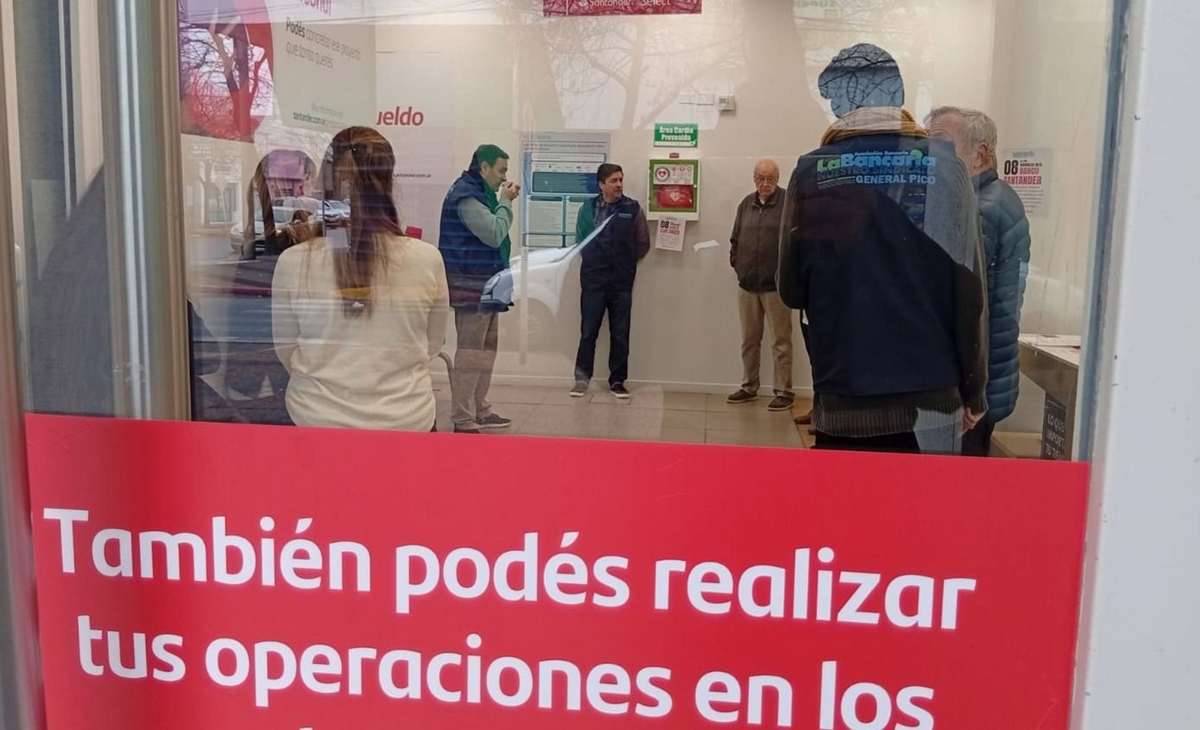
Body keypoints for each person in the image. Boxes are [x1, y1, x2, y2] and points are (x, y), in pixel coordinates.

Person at [778, 44, 988, 455]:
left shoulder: (811, 170)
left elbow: (790, 289)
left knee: (844, 497)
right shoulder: (947, 168)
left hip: (844, 393)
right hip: (932, 399)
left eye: (834, 99)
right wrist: (974, 390)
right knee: (922, 498)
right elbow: (969, 294)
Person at [271, 126, 449, 431]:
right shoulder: (427, 258)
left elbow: (286, 349)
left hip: (315, 420)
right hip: (407, 420)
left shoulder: (294, 261)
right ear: (389, 183)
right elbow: (432, 344)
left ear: (326, 184)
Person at [927, 107, 1031, 456]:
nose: (929, 155)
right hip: (984, 377)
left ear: (979, 154)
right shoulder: (991, 199)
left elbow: (967, 307)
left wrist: (972, 392)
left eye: (941, 143)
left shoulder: (980, 210)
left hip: (970, 388)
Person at [438, 144, 518, 434]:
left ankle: (480, 409)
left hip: (487, 283)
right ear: (484, 168)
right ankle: (462, 418)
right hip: (472, 286)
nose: (504, 177)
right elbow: (494, 234)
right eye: (501, 170)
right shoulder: (467, 196)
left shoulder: (480, 193)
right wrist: (506, 202)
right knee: (471, 353)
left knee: (486, 351)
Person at [571, 163, 650, 399]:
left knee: (620, 333)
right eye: (614, 180)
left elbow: (642, 243)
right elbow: (580, 240)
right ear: (601, 184)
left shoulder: (632, 208)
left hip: (621, 282)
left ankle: (617, 381)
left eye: (621, 180)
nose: (619, 185)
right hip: (593, 280)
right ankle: (581, 380)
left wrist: (624, 262)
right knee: (588, 331)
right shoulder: (587, 208)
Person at [726, 159, 795, 411]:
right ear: (754, 178)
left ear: (778, 178)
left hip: (777, 286)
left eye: (771, 179)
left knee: (781, 341)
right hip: (747, 285)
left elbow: (796, 241)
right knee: (749, 340)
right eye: (761, 178)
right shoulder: (746, 204)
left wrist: (787, 273)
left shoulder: (788, 203)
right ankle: (749, 386)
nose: (765, 184)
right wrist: (738, 265)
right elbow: (734, 240)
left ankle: (784, 391)